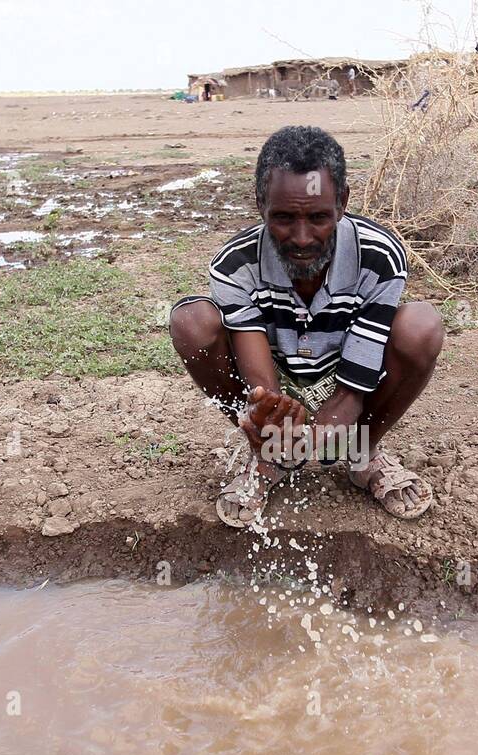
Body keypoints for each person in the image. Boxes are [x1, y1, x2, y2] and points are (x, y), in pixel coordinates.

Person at [168, 125, 443, 527]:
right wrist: (270, 418)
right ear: (260, 203)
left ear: (343, 202)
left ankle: (363, 451)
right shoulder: (234, 264)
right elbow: (260, 378)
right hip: (278, 370)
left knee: (422, 325)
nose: (301, 238)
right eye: (282, 218)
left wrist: (332, 432)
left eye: (318, 217)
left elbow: (351, 391)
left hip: (348, 373)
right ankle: (269, 459)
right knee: (191, 321)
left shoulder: (379, 256)